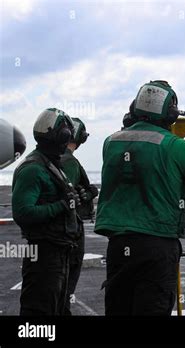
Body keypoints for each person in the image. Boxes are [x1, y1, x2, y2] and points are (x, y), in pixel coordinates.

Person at [95, 80, 185, 315]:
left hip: (118, 245)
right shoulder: (173, 146)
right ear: (171, 113)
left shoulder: (111, 142)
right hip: (156, 246)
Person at [12, 108, 81, 315]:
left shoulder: (50, 164)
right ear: (62, 137)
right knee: (39, 311)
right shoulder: (34, 169)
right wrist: (61, 206)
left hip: (58, 252)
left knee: (57, 309)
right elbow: (23, 213)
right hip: (44, 255)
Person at [60, 117, 99, 315]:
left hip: (57, 232)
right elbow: (69, 197)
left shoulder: (51, 158)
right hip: (69, 232)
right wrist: (89, 193)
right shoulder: (69, 161)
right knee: (65, 289)